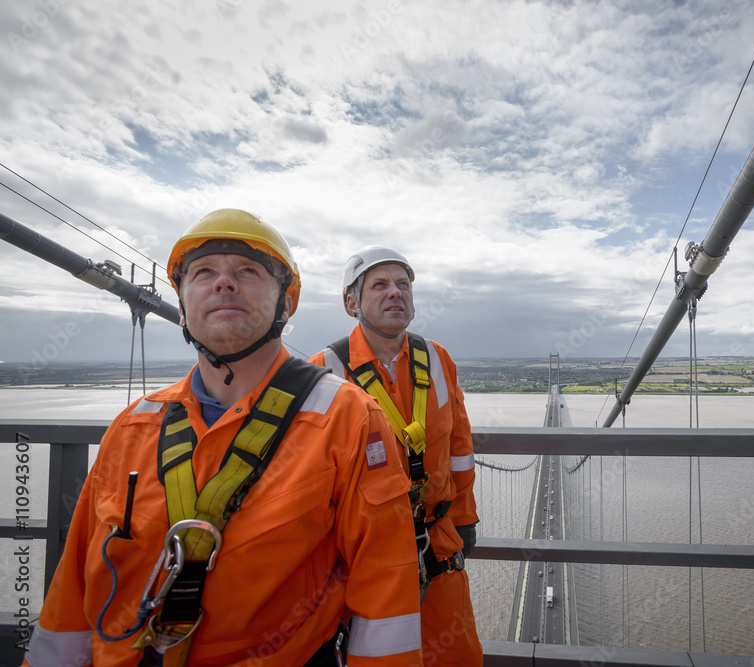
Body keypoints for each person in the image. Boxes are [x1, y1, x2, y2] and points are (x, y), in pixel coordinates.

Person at [24, 210, 423, 667]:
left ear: (285, 303)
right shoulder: (132, 426)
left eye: (247, 272)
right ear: (182, 303)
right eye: (204, 272)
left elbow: (384, 589)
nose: (224, 284)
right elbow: (71, 595)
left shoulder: (346, 419)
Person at [309, 246, 482, 667]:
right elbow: (311, 479)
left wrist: (465, 517)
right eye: (380, 285)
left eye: (403, 285)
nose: (395, 294)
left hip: (438, 545)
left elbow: (459, 446)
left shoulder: (437, 360)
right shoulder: (323, 371)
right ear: (352, 303)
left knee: (459, 657)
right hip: (366, 558)